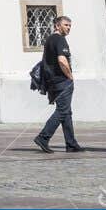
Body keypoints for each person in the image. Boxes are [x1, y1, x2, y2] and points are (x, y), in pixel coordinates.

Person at [33, 15, 82, 153]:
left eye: (70, 26)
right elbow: (62, 60)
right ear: (57, 25)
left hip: (53, 82)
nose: (68, 28)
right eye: (66, 25)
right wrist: (70, 76)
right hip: (62, 81)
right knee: (62, 111)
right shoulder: (59, 40)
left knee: (66, 112)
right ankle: (43, 137)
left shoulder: (50, 39)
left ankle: (71, 143)